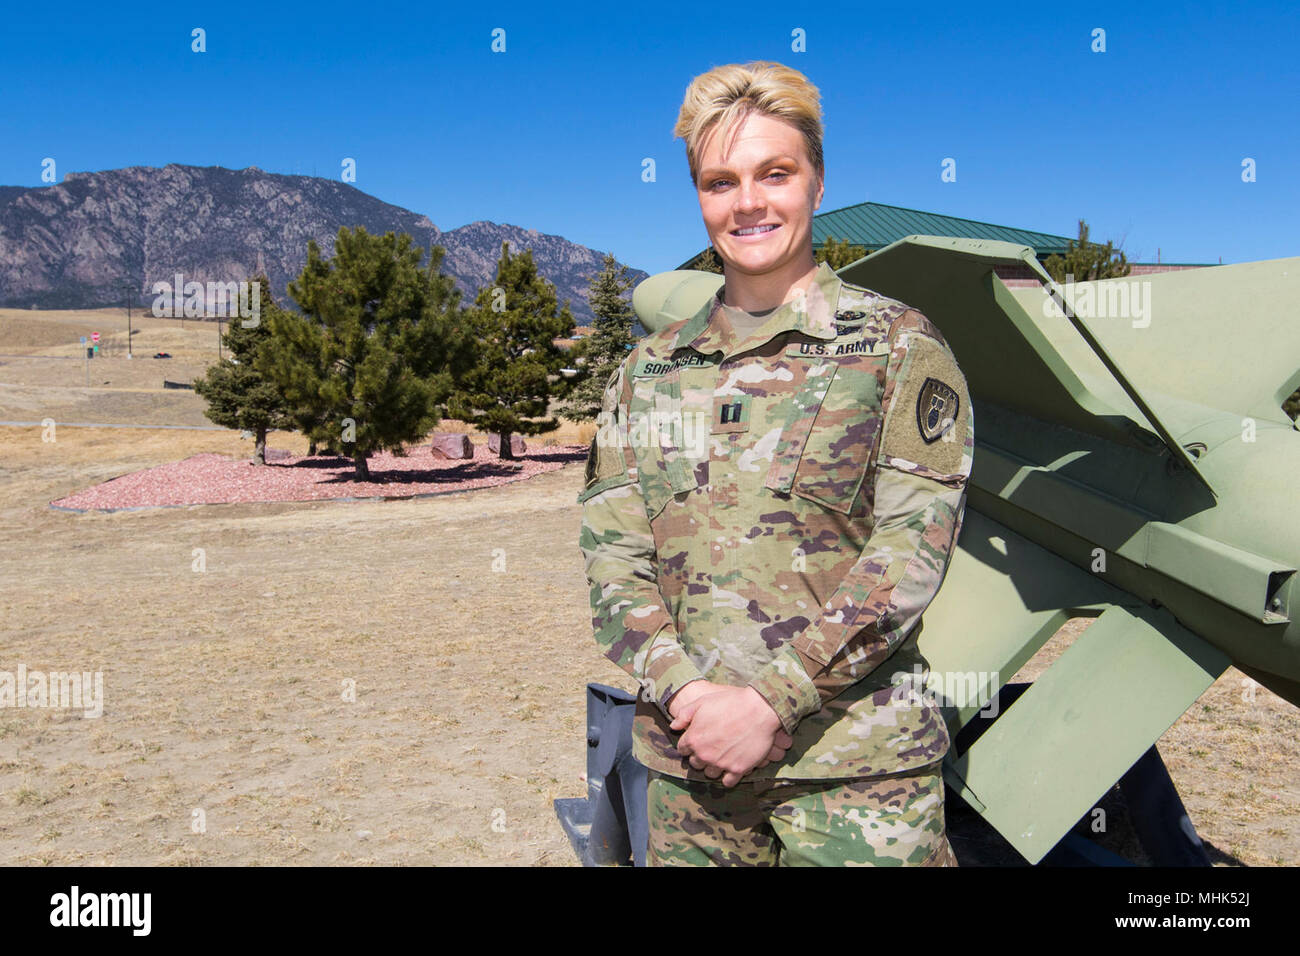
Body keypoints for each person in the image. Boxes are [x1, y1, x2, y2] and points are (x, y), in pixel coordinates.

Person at [578, 60, 974, 866]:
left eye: (775, 173)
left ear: (817, 184)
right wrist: (690, 695)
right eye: (721, 181)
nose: (749, 202)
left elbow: (908, 555)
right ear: (698, 196)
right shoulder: (648, 370)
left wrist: (769, 702)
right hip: (693, 776)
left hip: (859, 781)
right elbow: (613, 554)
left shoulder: (897, 345)